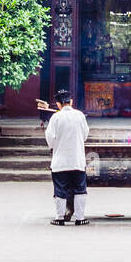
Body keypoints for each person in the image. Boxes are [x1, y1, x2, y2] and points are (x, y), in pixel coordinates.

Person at [41, 89, 90, 226]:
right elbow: (85, 135)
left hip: (60, 161)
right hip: (77, 160)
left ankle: (59, 217)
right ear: (71, 102)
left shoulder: (55, 117)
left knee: (60, 189)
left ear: (58, 104)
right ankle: (80, 218)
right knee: (80, 189)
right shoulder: (80, 115)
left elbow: (50, 138)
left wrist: (56, 146)